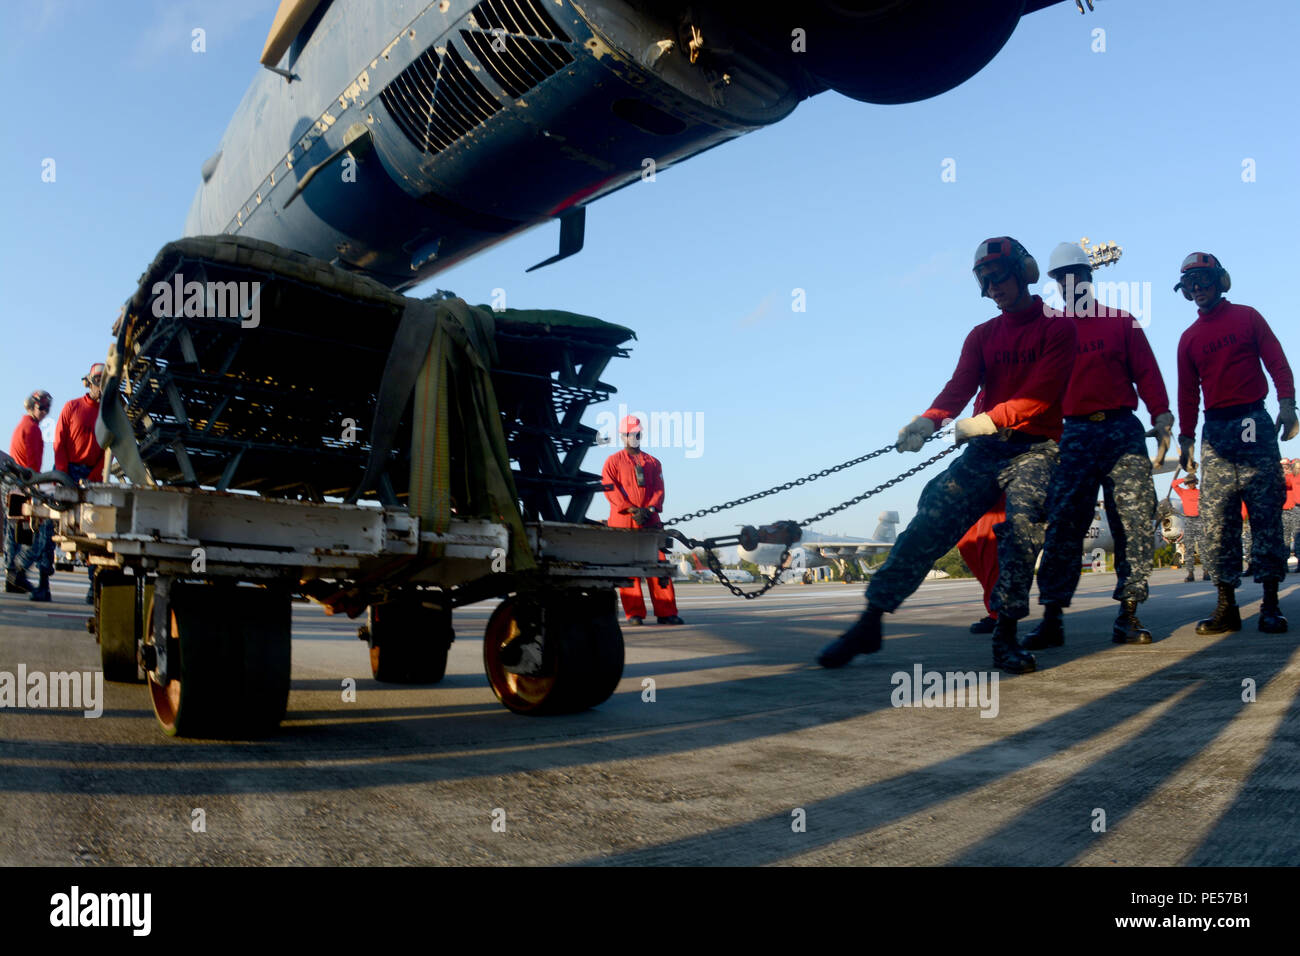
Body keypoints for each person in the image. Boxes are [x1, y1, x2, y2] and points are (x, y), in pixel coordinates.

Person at [818, 237, 1076, 674]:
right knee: (931, 518)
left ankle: (1006, 634)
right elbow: (959, 388)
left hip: (1036, 448)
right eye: (984, 281)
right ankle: (870, 621)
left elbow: (1041, 394)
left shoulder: (1058, 329)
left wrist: (985, 421)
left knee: (1021, 529)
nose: (992, 288)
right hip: (986, 449)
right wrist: (928, 421)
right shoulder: (982, 336)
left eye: (999, 277)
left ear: (1024, 273)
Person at [1028, 242, 1172, 648]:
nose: (1069, 283)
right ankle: (1052, 618)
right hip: (1072, 434)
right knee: (1064, 524)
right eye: (1061, 278)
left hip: (1121, 429)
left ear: (1089, 278)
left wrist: (1162, 417)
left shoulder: (1122, 322)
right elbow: (1037, 389)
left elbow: (1148, 374)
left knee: (1133, 521)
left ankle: (1129, 613)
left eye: (1075, 275)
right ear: (1056, 284)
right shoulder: (1052, 331)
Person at [1174, 252, 1296, 634]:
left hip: (1250, 421)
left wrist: (1287, 404)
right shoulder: (1188, 339)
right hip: (1217, 429)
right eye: (1190, 283)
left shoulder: (1247, 317)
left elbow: (1277, 362)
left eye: (1203, 279)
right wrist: (1186, 439)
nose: (1198, 288)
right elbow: (1187, 394)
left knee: (1264, 510)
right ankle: (1226, 606)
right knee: (1218, 518)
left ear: (1220, 280)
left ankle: (1271, 604)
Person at [602, 415, 684, 625]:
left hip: (650, 520)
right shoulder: (613, 462)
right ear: (622, 436)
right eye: (630, 434)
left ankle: (667, 612)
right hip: (623, 521)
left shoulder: (653, 462)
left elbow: (659, 489)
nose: (634, 437)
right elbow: (610, 489)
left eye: (637, 434)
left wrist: (649, 509)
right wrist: (630, 509)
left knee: (659, 565)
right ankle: (634, 613)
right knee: (629, 568)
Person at [54, 363, 107, 604]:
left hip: (91, 476)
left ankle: (92, 587)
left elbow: (108, 450)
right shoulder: (71, 407)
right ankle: (42, 581)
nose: (100, 387)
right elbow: (59, 441)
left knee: (93, 531)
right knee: (54, 526)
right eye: (97, 381)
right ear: (89, 382)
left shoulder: (108, 415)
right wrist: (63, 474)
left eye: (105, 382)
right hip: (68, 470)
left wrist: (94, 476)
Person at [5, 390, 54, 599]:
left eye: (47, 408)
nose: (44, 412)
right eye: (41, 407)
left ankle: (11, 577)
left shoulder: (21, 426)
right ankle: (18, 570)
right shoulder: (32, 430)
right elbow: (33, 466)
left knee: (13, 533)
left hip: (12, 485)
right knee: (35, 534)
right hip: (24, 485)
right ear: (31, 406)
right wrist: (36, 489)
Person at [1171, 472, 1208, 581]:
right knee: (1189, 548)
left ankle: (1206, 572)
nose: (1191, 484)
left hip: (1199, 520)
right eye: (1189, 483)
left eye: (1193, 482)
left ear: (1196, 483)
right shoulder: (1183, 492)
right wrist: (1185, 478)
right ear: (1186, 484)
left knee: (1203, 547)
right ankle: (1190, 573)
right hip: (1188, 520)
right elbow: (1174, 484)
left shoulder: (1200, 493)